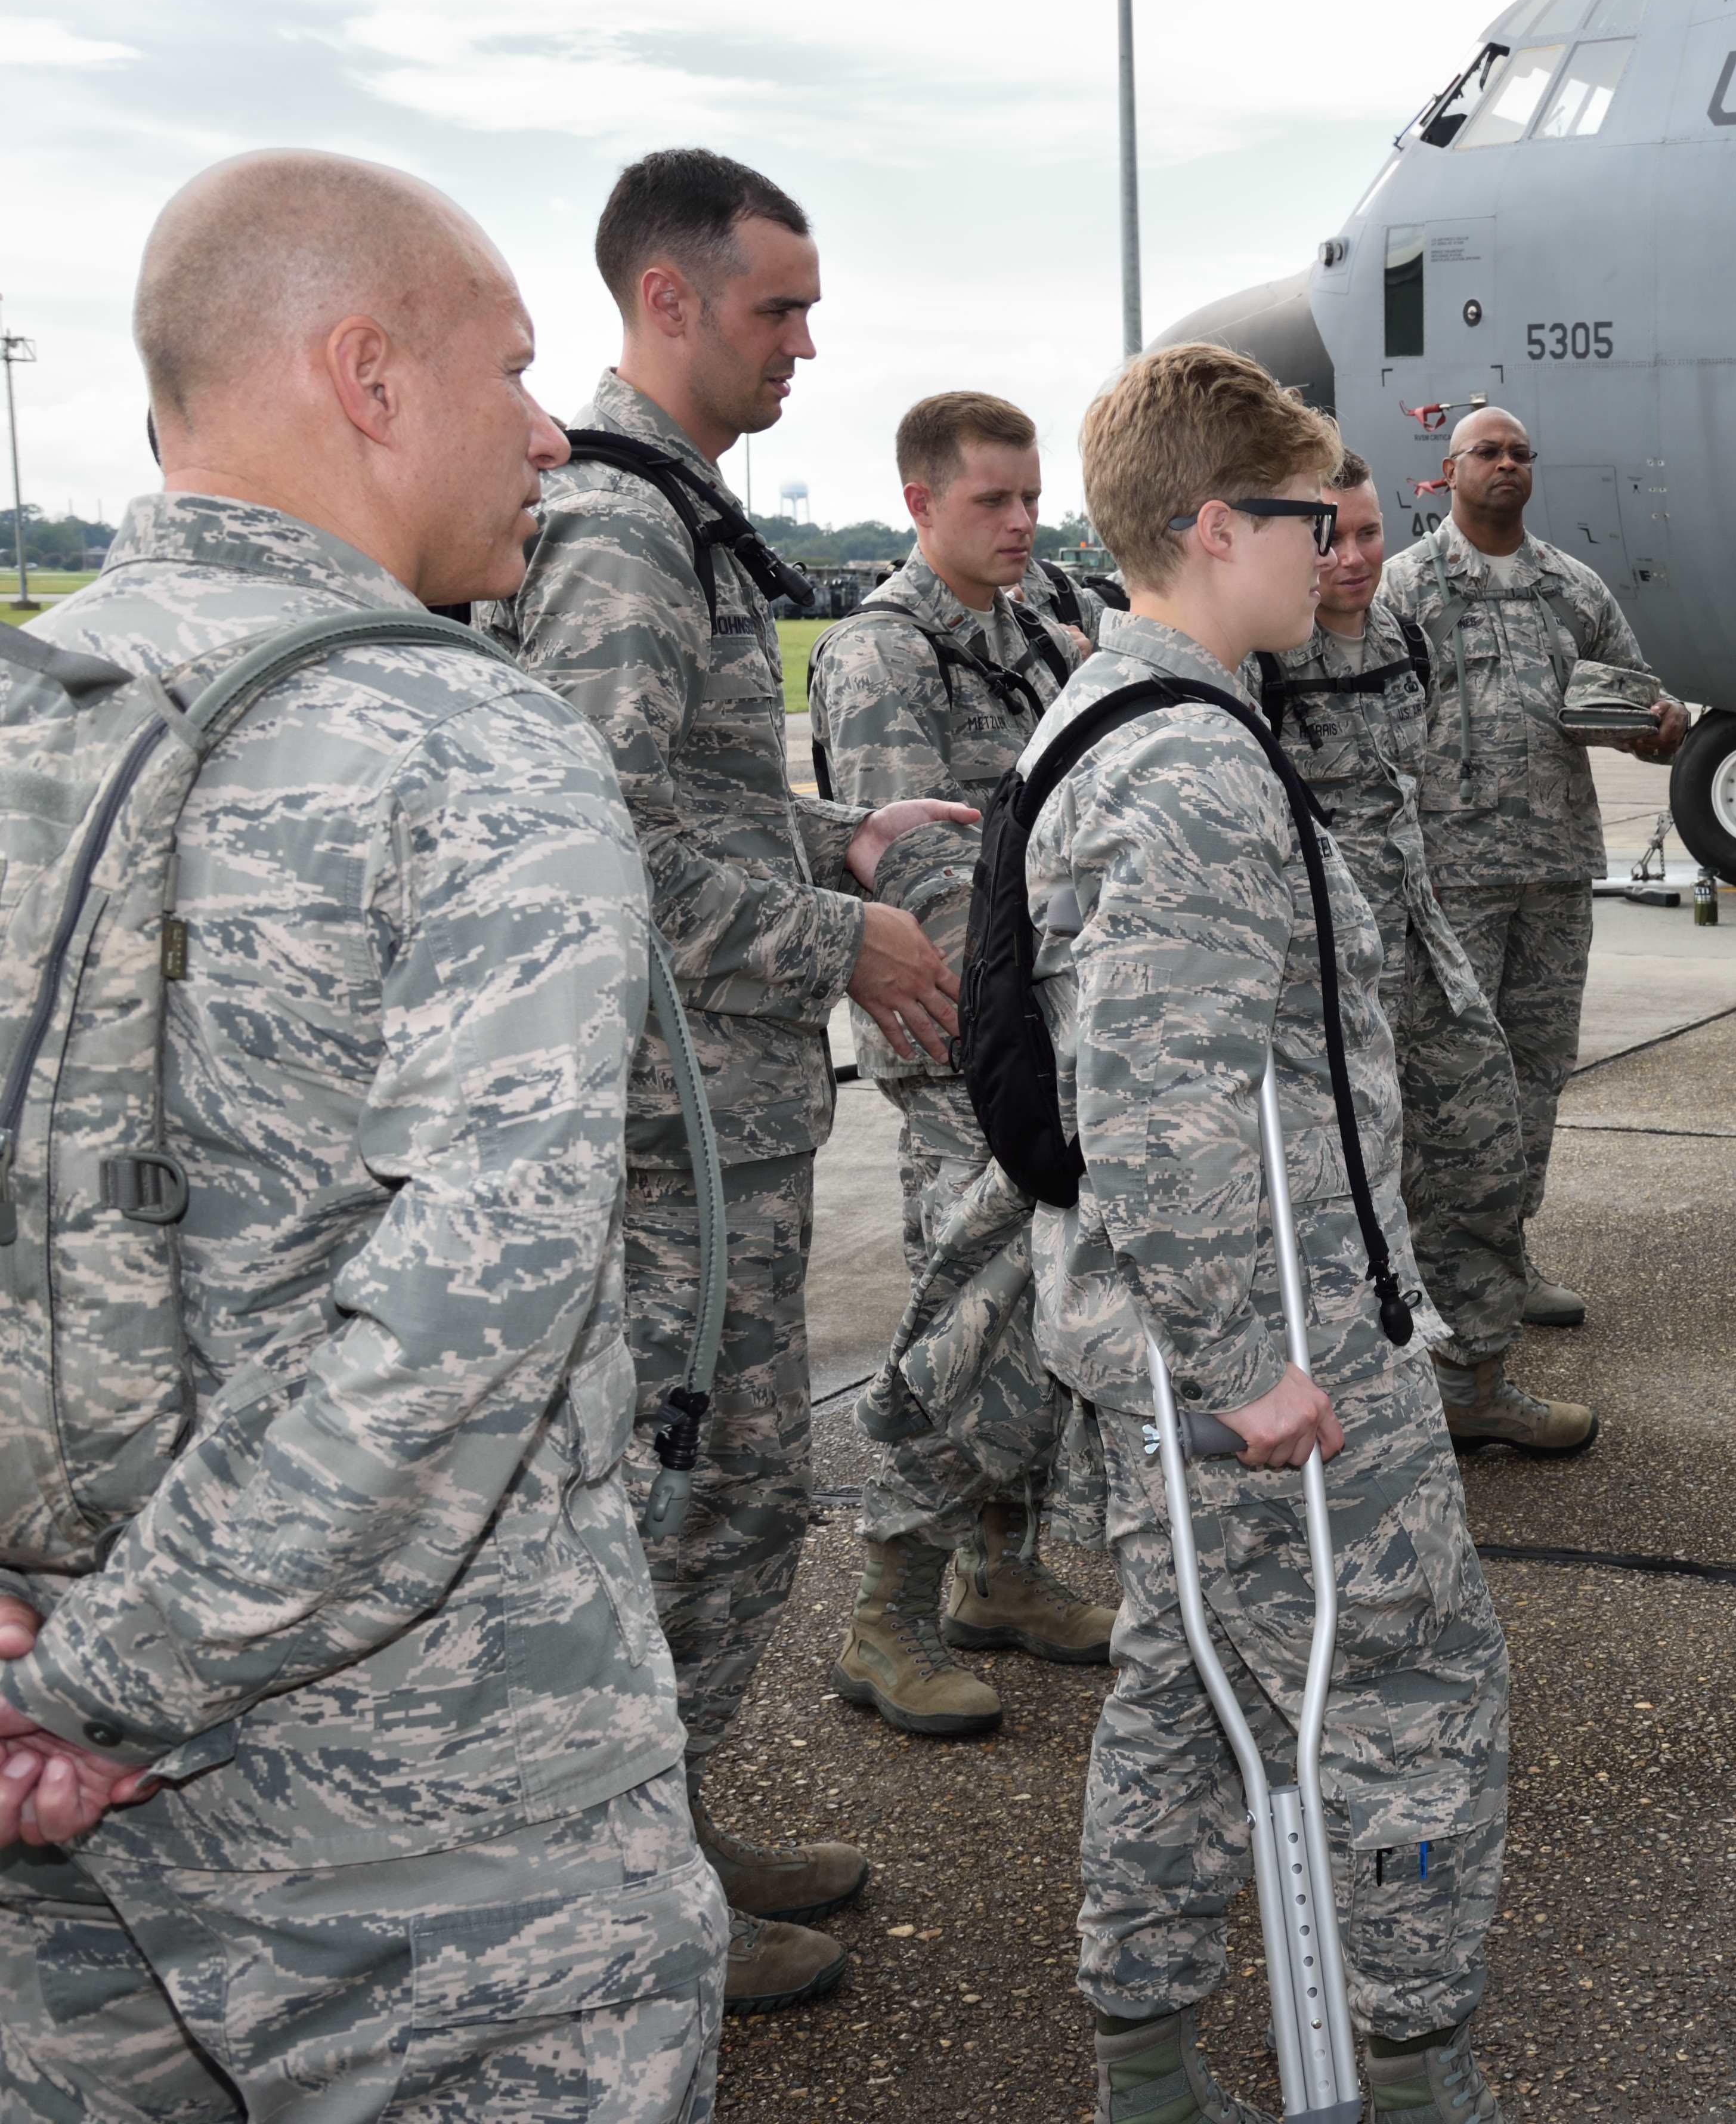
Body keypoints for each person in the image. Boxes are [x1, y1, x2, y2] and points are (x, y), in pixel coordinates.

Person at [0, 152, 719, 2115]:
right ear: (369, 376)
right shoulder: (474, 740)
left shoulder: (27, 708)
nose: (550, 429)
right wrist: (109, 1685)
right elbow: (460, 1322)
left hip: (55, 1824)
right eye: (514, 367)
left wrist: (48, 1672)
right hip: (438, 1838)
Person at [479, 147, 973, 2014]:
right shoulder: (620, 530)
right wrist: (846, 940)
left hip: (719, 1126)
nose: (806, 345)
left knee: (731, 1501)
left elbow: (688, 797)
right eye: (780, 308)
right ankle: (624, 1900)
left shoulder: (673, 513)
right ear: (667, 300)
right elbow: (592, 842)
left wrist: (844, 834)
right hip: (659, 1137)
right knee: (694, 1506)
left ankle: (666, 1834)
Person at [1027, 345, 1512, 2123]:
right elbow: (1159, 1114)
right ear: (1216, 526)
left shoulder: (1123, 715)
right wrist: (1250, 1374)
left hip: (1200, 1334)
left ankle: (1149, 2069)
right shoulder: (1192, 768)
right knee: (1409, 1683)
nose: (1340, 553)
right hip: (1273, 1343)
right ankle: (1414, 2069)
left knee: (1180, 1685)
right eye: (1313, 521)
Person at [806, 391, 1119, 1736]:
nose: (1022, 522)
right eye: (993, 500)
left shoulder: (1038, 625)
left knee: (1040, 1316)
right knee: (967, 1320)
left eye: (1032, 497)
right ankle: (886, 1611)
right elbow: (920, 869)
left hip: (1052, 1029)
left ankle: (1001, 1573)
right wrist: (1013, 1037)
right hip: (963, 1044)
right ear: (920, 503)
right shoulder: (886, 653)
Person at [1270, 450, 1599, 1457]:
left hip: (1417, 948)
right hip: (1317, 980)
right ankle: (1334, 1409)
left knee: (1481, 1151)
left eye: (1368, 532)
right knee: (1336, 1196)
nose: (1353, 556)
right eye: (1328, 536)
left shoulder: (1402, 639)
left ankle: (1473, 1380)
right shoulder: (1263, 659)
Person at [1374, 406, 1687, 1331]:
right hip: (1450, 881)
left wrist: (1662, 727)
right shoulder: (1404, 588)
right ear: (1449, 470)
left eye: (1519, 453)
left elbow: (1633, 700)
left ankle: (1504, 1262)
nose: (1506, 464)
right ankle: (1434, 1274)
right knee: (1448, 1080)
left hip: (1554, 872)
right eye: (1487, 452)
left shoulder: (1571, 589)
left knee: (1535, 1072)